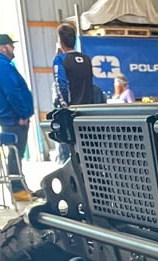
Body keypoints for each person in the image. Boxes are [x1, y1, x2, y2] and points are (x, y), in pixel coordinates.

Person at [0, 32, 34, 200]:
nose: (13, 48)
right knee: (15, 154)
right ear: (3, 48)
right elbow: (12, 92)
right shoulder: (1, 66)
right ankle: (17, 189)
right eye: (11, 45)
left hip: (13, 117)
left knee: (17, 154)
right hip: (13, 119)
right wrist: (22, 114)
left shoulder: (3, 64)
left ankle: (20, 187)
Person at [52, 24, 97, 162]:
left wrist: (65, 107)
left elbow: (61, 85)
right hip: (88, 110)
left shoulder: (60, 60)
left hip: (71, 111)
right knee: (89, 151)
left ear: (61, 41)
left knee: (70, 151)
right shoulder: (86, 59)